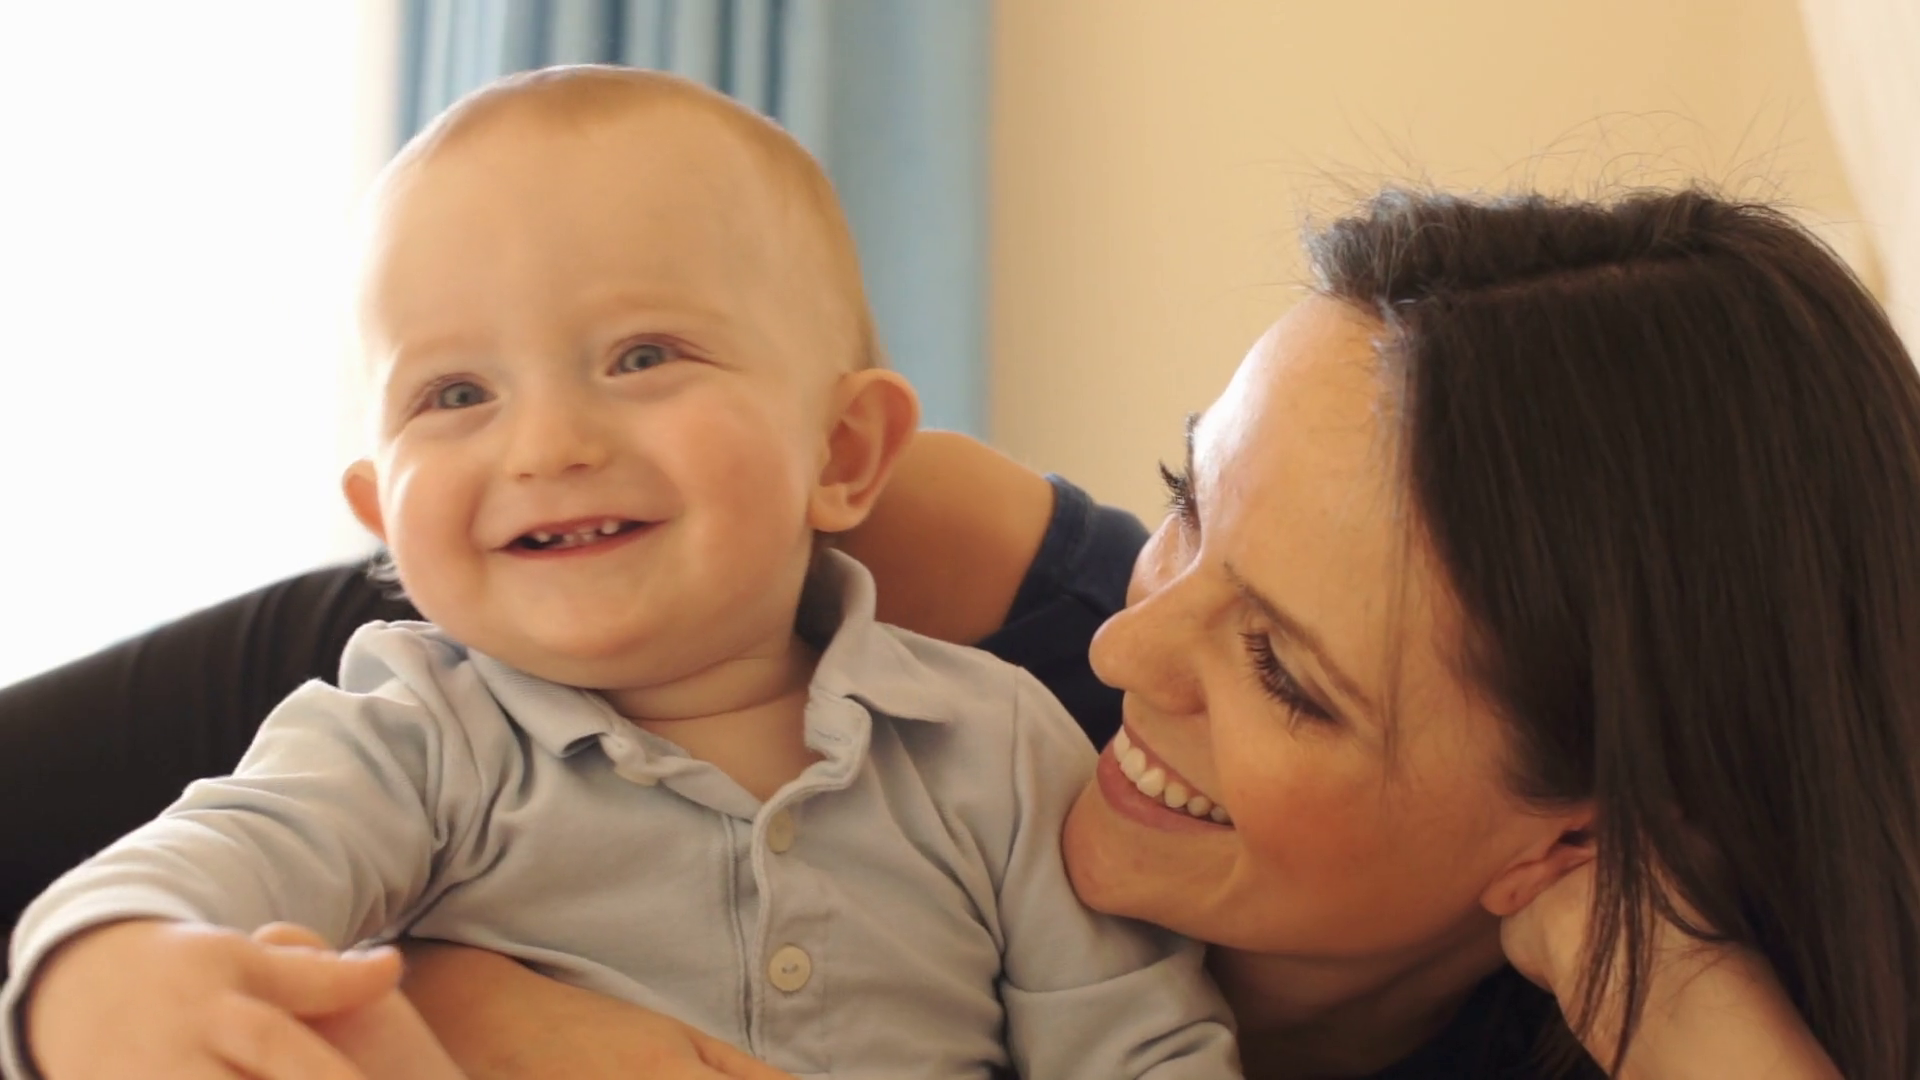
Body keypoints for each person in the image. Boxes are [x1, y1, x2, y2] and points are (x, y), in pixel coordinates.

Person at [0, 183, 1898, 1077]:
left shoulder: (984, 767)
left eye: (1287, 677)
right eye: (1184, 501)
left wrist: (1704, 1005)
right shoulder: (668, 593)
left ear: (1567, 837)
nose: (1117, 666)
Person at [0, 67, 1241, 1080]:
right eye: (457, 394)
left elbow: (1142, 1049)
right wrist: (101, 961)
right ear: (386, 523)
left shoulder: (1000, 747)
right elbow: (204, 865)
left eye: (643, 356)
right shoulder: (412, 741)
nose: (548, 445)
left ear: (845, 451)